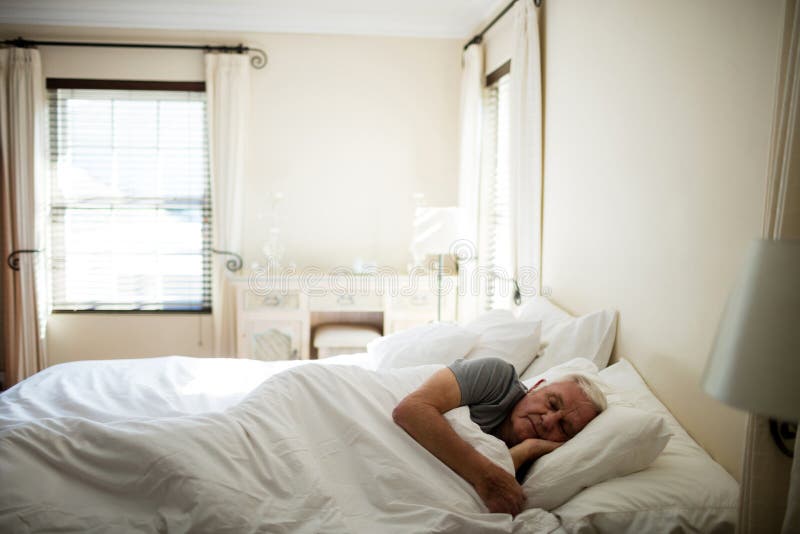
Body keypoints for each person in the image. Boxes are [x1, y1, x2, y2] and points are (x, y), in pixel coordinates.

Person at [392, 357, 606, 516]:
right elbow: (411, 410)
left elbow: (473, 502)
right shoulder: (498, 378)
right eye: (551, 403)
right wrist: (486, 476)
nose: (548, 421)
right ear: (537, 387)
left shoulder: (540, 465)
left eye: (564, 426)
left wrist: (527, 450)